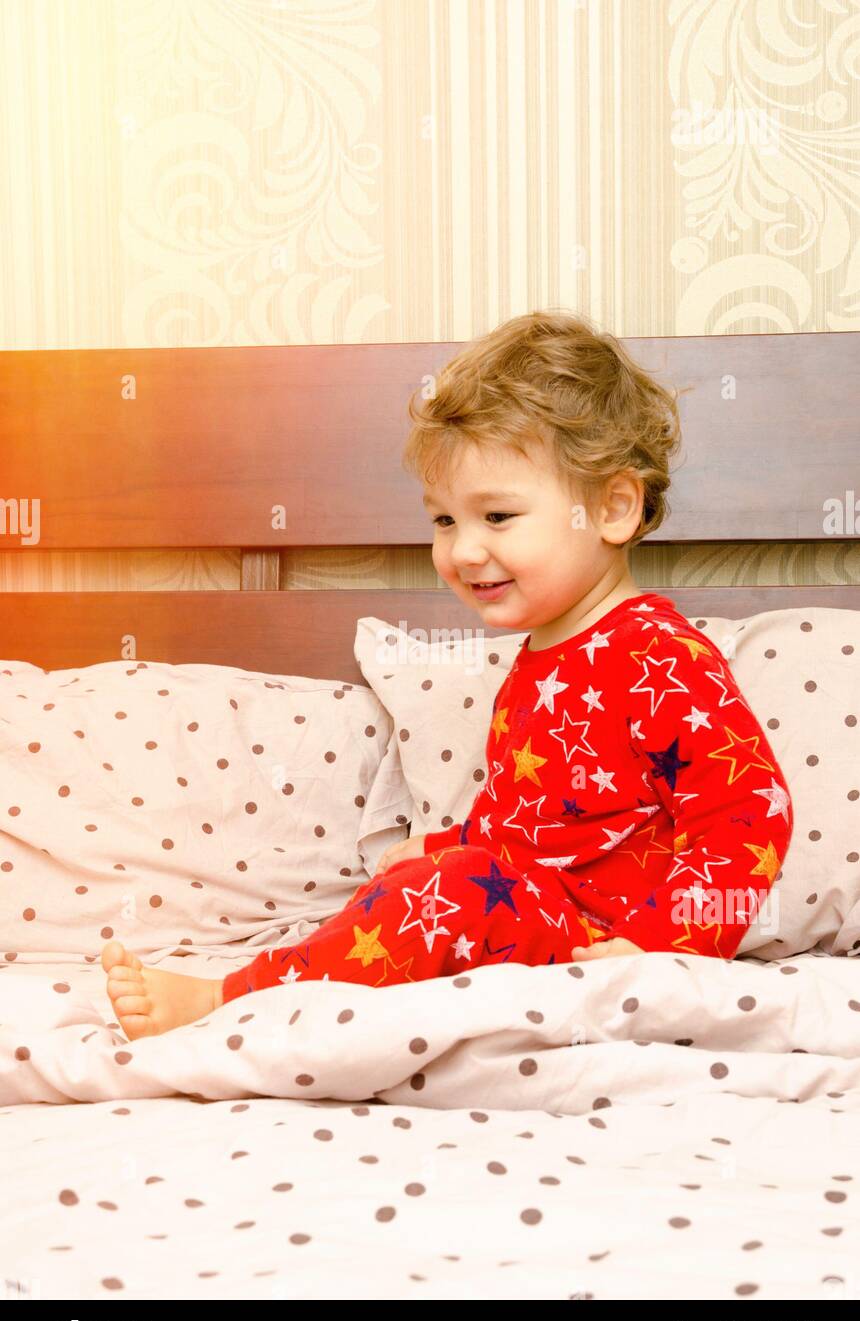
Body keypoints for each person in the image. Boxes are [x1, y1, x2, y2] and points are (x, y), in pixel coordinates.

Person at [101, 309, 794, 1038]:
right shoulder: (541, 659)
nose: (463, 551)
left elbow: (749, 813)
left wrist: (658, 952)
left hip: (605, 949)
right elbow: (535, 825)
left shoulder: (657, 654)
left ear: (612, 507)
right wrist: (440, 846)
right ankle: (315, 976)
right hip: (541, 924)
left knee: (448, 892)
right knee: (420, 881)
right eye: (443, 520)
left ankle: (233, 999)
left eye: (496, 516)